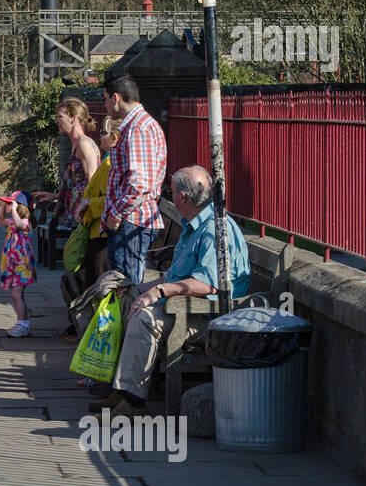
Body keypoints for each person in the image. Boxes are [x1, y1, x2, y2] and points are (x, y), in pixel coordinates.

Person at [90, 165, 251, 417]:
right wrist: (137, 288)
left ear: (182, 198)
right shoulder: (193, 224)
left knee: (144, 318)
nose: (169, 195)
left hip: (207, 316)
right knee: (124, 300)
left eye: (171, 191)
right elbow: (174, 276)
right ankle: (120, 388)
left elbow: (209, 285)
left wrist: (160, 291)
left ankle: (133, 403)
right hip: (184, 304)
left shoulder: (214, 230)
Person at [59, 116, 120, 342]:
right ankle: (86, 329)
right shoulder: (108, 159)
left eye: (104, 133)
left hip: (102, 232)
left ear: (114, 138)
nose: (99, 137)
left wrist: (88, 205)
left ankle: (96, 335)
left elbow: (112, 198)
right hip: (95, 229)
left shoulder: (113, 163)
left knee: (97, 285)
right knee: (89, 280)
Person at [101, 74, 166, 285]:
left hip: (132, 221)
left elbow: (140, 184)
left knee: (125, 286)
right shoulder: (136, 125)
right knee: (120, 284)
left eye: (105, 99)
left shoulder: (138, 128)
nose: (105, 105)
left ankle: (128, 319)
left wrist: (116, 214)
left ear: (115, 98)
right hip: (130, 220)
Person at [32, 99, 101, 239]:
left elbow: (92, 184)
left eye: (60, 116)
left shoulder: (84, 144)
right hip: (77, 216)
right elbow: (78, 184)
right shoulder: (77, 144)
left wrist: (83, 211)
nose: (57, 120)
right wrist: (55, 196)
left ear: (73, 118)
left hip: (83, 218)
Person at [0, 190, 36, 338]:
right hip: (14, 264)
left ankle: (23, 324)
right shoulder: (12, 222)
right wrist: (2, 208)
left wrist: (12, 209)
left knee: (16, 295)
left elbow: (20, 224)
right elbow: (1, 221)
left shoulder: (25, 223)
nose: (7, 206)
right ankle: (22, 322)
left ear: (19, 206)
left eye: (9, 203)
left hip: (22, 265)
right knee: (16, 295)